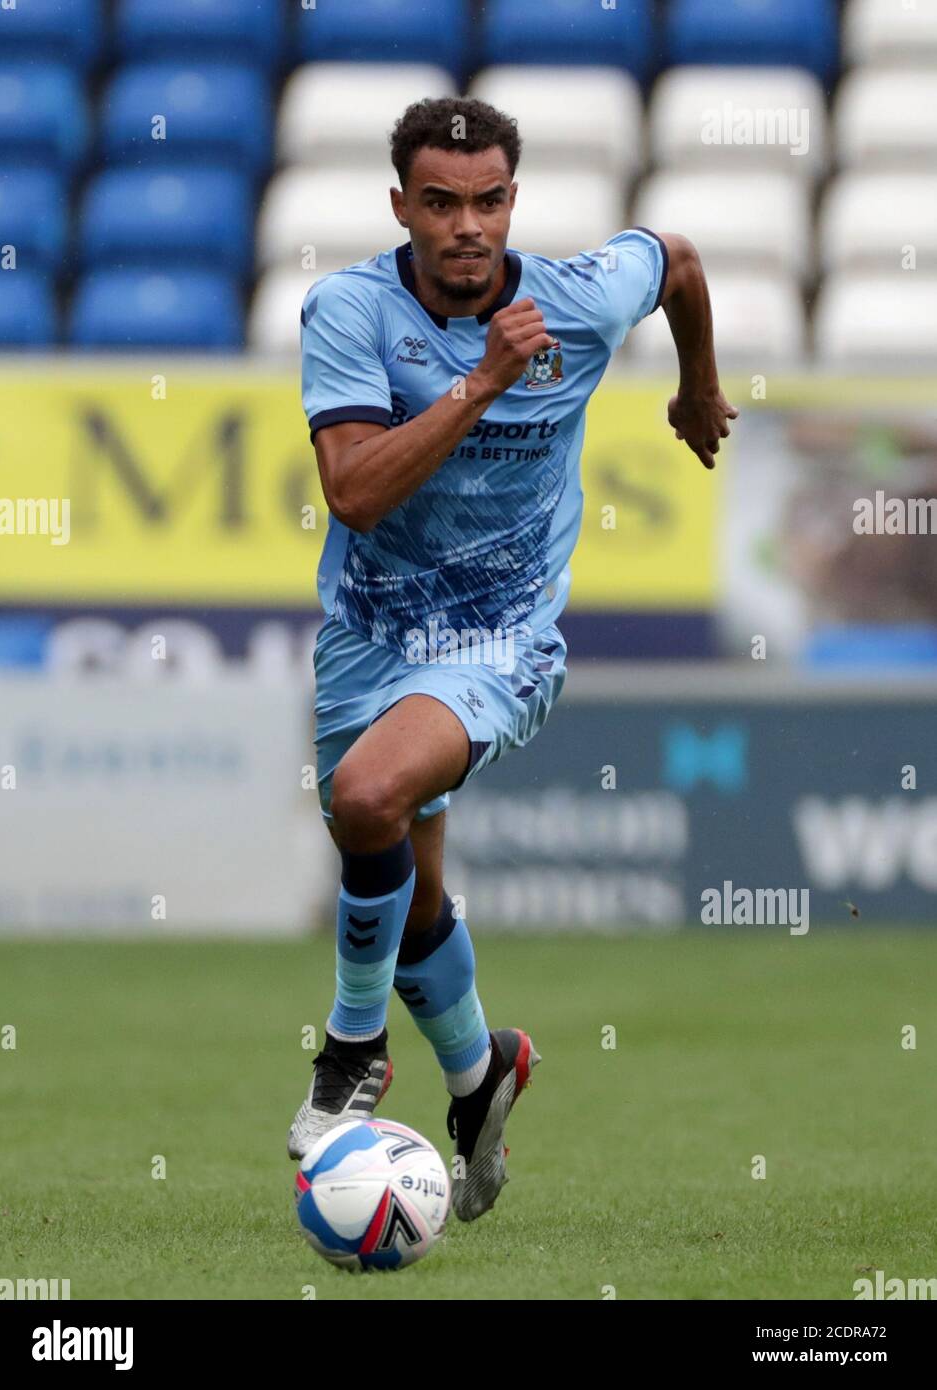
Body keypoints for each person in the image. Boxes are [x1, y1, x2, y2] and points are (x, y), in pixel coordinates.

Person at [290, 96, 738, 1222]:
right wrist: (483, 381)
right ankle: (478, 1071)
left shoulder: (579, 299)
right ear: (402, 206)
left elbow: (677, 260)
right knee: (407, 893)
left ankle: (350, 1050)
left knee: (366, 793)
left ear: (513, 203)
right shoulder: (346, 310)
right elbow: (351, 489)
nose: (466, 226)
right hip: (367, 631)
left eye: (487, 200)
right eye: (439, 202)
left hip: (502, 636)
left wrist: (695, 382)